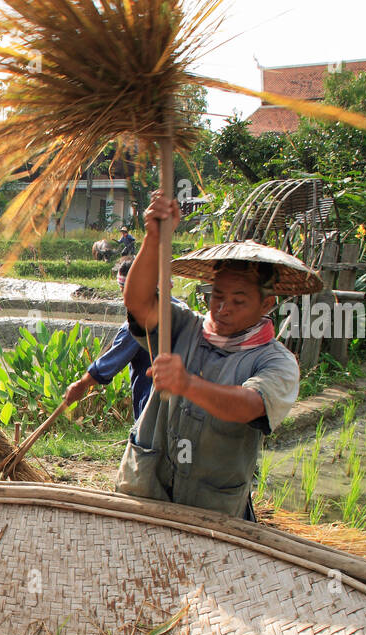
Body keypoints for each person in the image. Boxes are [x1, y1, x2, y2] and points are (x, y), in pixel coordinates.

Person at [111, 193, 310, 522]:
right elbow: (138, 300)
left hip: (212, 510)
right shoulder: (184, 326)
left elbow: (248, 404)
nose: (222, 307)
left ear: (266, 305)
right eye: (217, 295)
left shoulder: (277, 362)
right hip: (147, 488)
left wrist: (188, 384)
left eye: (238, 300)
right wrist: (154, 238)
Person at [63, 258, 180, 422]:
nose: (125, 300)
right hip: (184, 411)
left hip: (154, 411)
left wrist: (80, 385)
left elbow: (107, 366)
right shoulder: (182, 310)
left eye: (125, 291)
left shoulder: (141, 322)